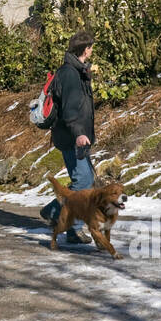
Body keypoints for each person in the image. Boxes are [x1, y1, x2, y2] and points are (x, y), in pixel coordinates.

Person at [40, 31, 96, 245]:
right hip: (73, 136)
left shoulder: (75, 70)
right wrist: (80, 134)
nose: (92, 50)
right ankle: (53, 211)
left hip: (73, 135)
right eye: (90, 47)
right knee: (83, 181)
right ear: (85, 49)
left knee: (84, 180)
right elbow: (71, 110)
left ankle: (73, 230)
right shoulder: (71, 73)